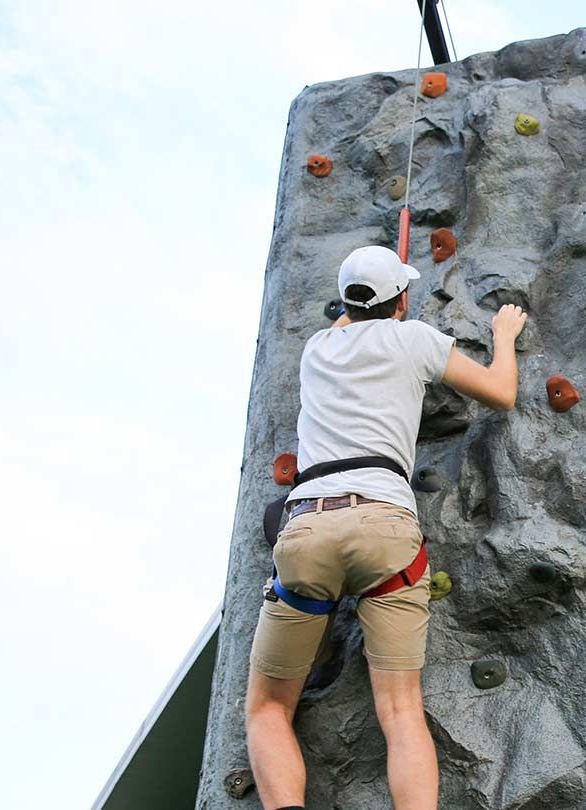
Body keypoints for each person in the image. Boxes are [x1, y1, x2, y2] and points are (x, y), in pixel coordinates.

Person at [245, 244, 527, 810]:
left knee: (269, 708)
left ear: (346, 303)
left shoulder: (316, 350)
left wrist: (382, 303)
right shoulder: (415, 338)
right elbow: (502, 393)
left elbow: (358, 317)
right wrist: (504, 337)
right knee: (400, 710)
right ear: (401, 300)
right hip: (387, 529)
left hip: (309, 529)